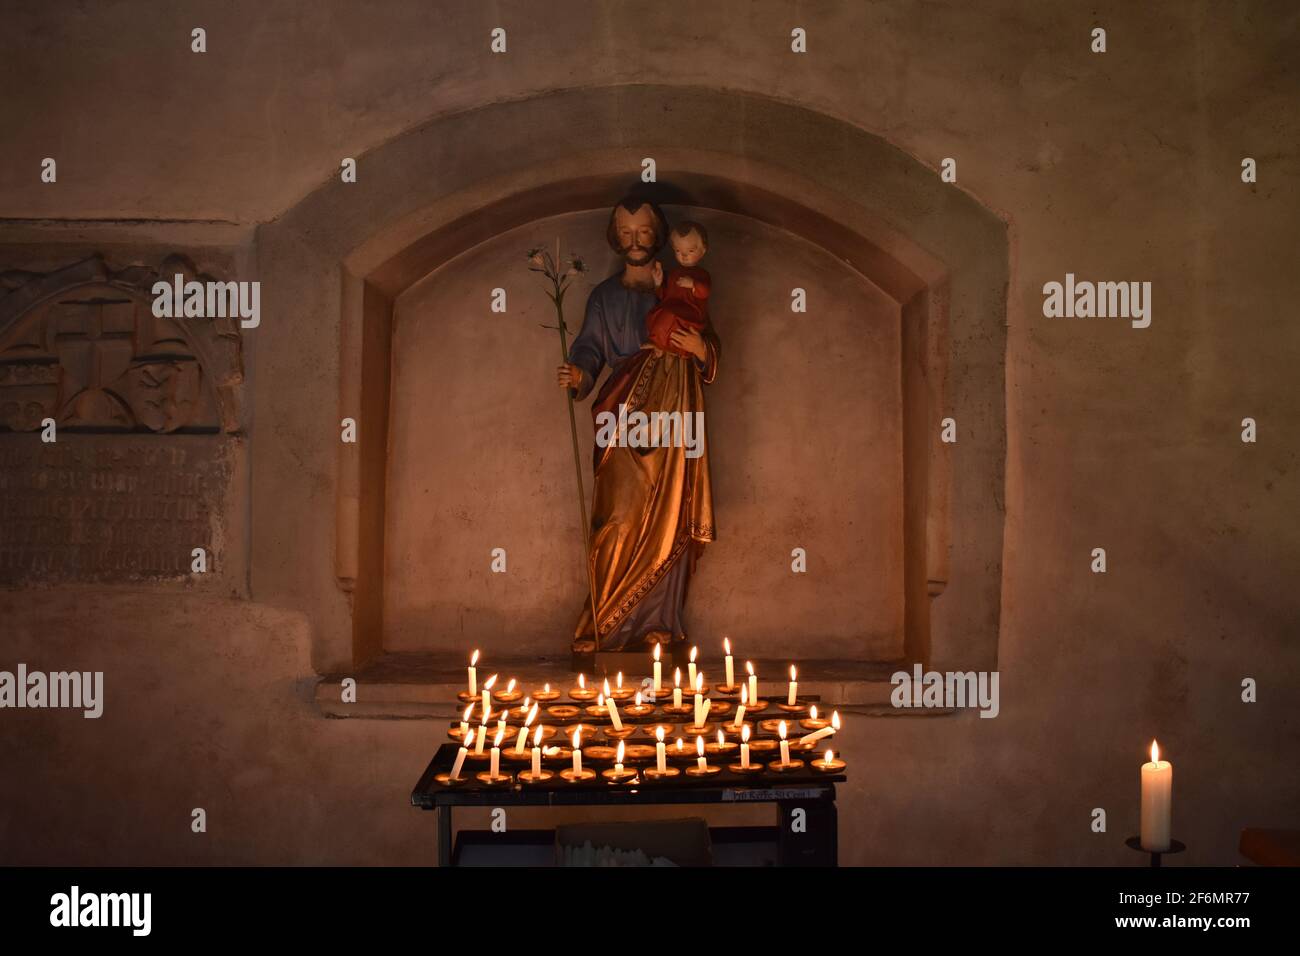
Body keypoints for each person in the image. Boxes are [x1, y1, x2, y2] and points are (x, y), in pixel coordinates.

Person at [556, 195, 720, 655]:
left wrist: (701, 348)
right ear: (615, 236)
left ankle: (659, 622)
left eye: (644, 231)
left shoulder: (678, 289)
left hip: (674, 411)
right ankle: (602, 619)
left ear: (658, 234)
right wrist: (580, 375)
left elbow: (711, 344)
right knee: (618, 518)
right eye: (625, 232)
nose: (634, 240)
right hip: (622, 413)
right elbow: (588, 349)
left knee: (670, 513)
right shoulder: (604, 297)